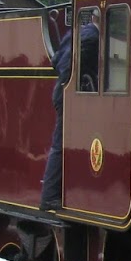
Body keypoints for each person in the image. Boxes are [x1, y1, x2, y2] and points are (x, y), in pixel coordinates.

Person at [39, 14, 97, 210]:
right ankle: (49, 197)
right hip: (68, 93)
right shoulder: (92, 38)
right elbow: (65, 66)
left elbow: (55, 60)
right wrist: (76, 86)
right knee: (61, 143)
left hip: (62, 91)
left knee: (61, 143)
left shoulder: (77, 32)